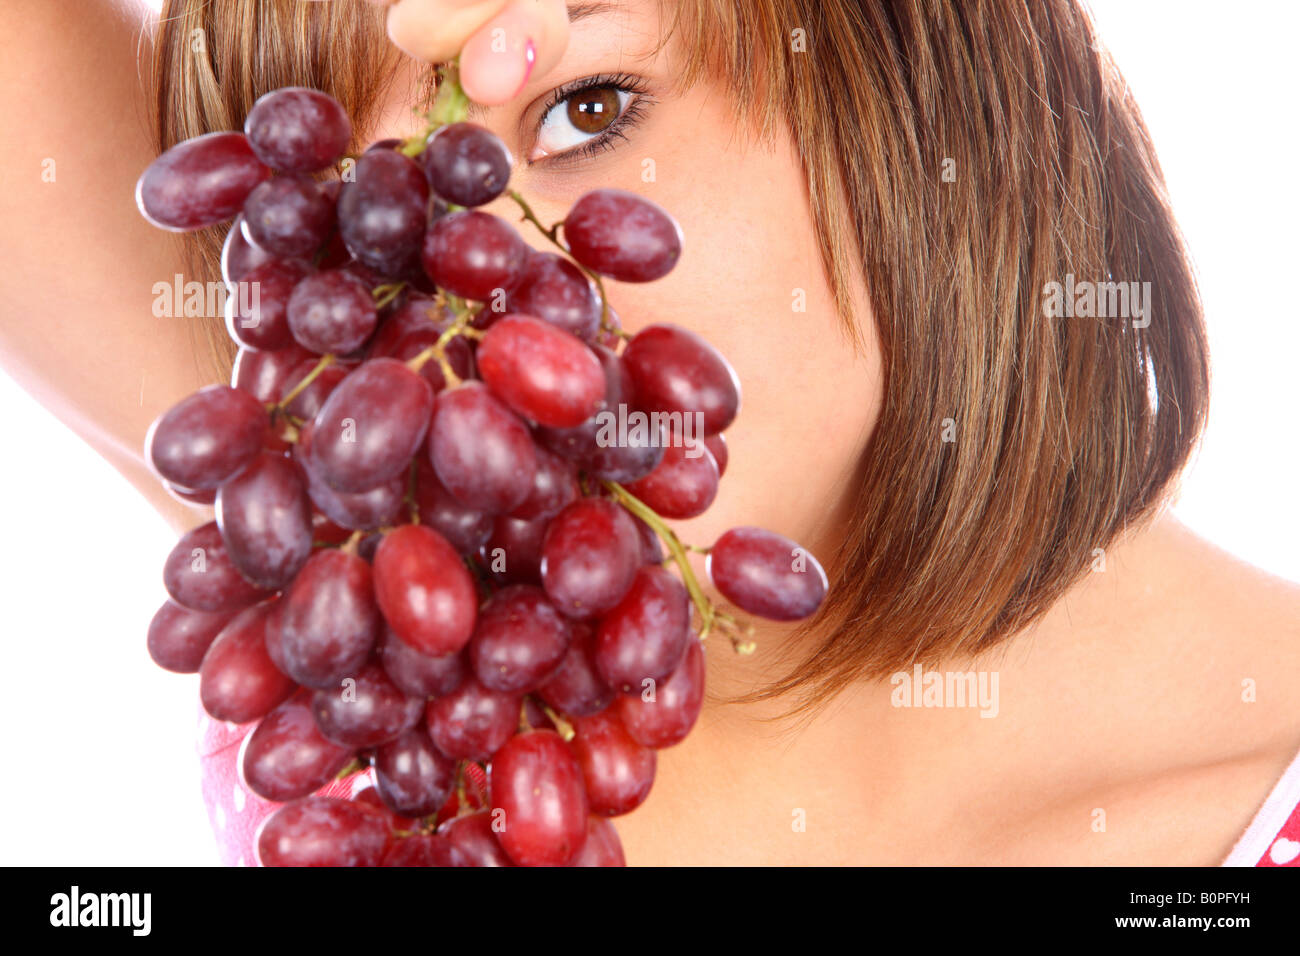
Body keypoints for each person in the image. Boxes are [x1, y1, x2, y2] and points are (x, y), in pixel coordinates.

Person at [2, 0, 1298, 866]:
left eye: (587, 112)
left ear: (911, 66)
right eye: (365, 220)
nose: (484, 310)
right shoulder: (407, 653)